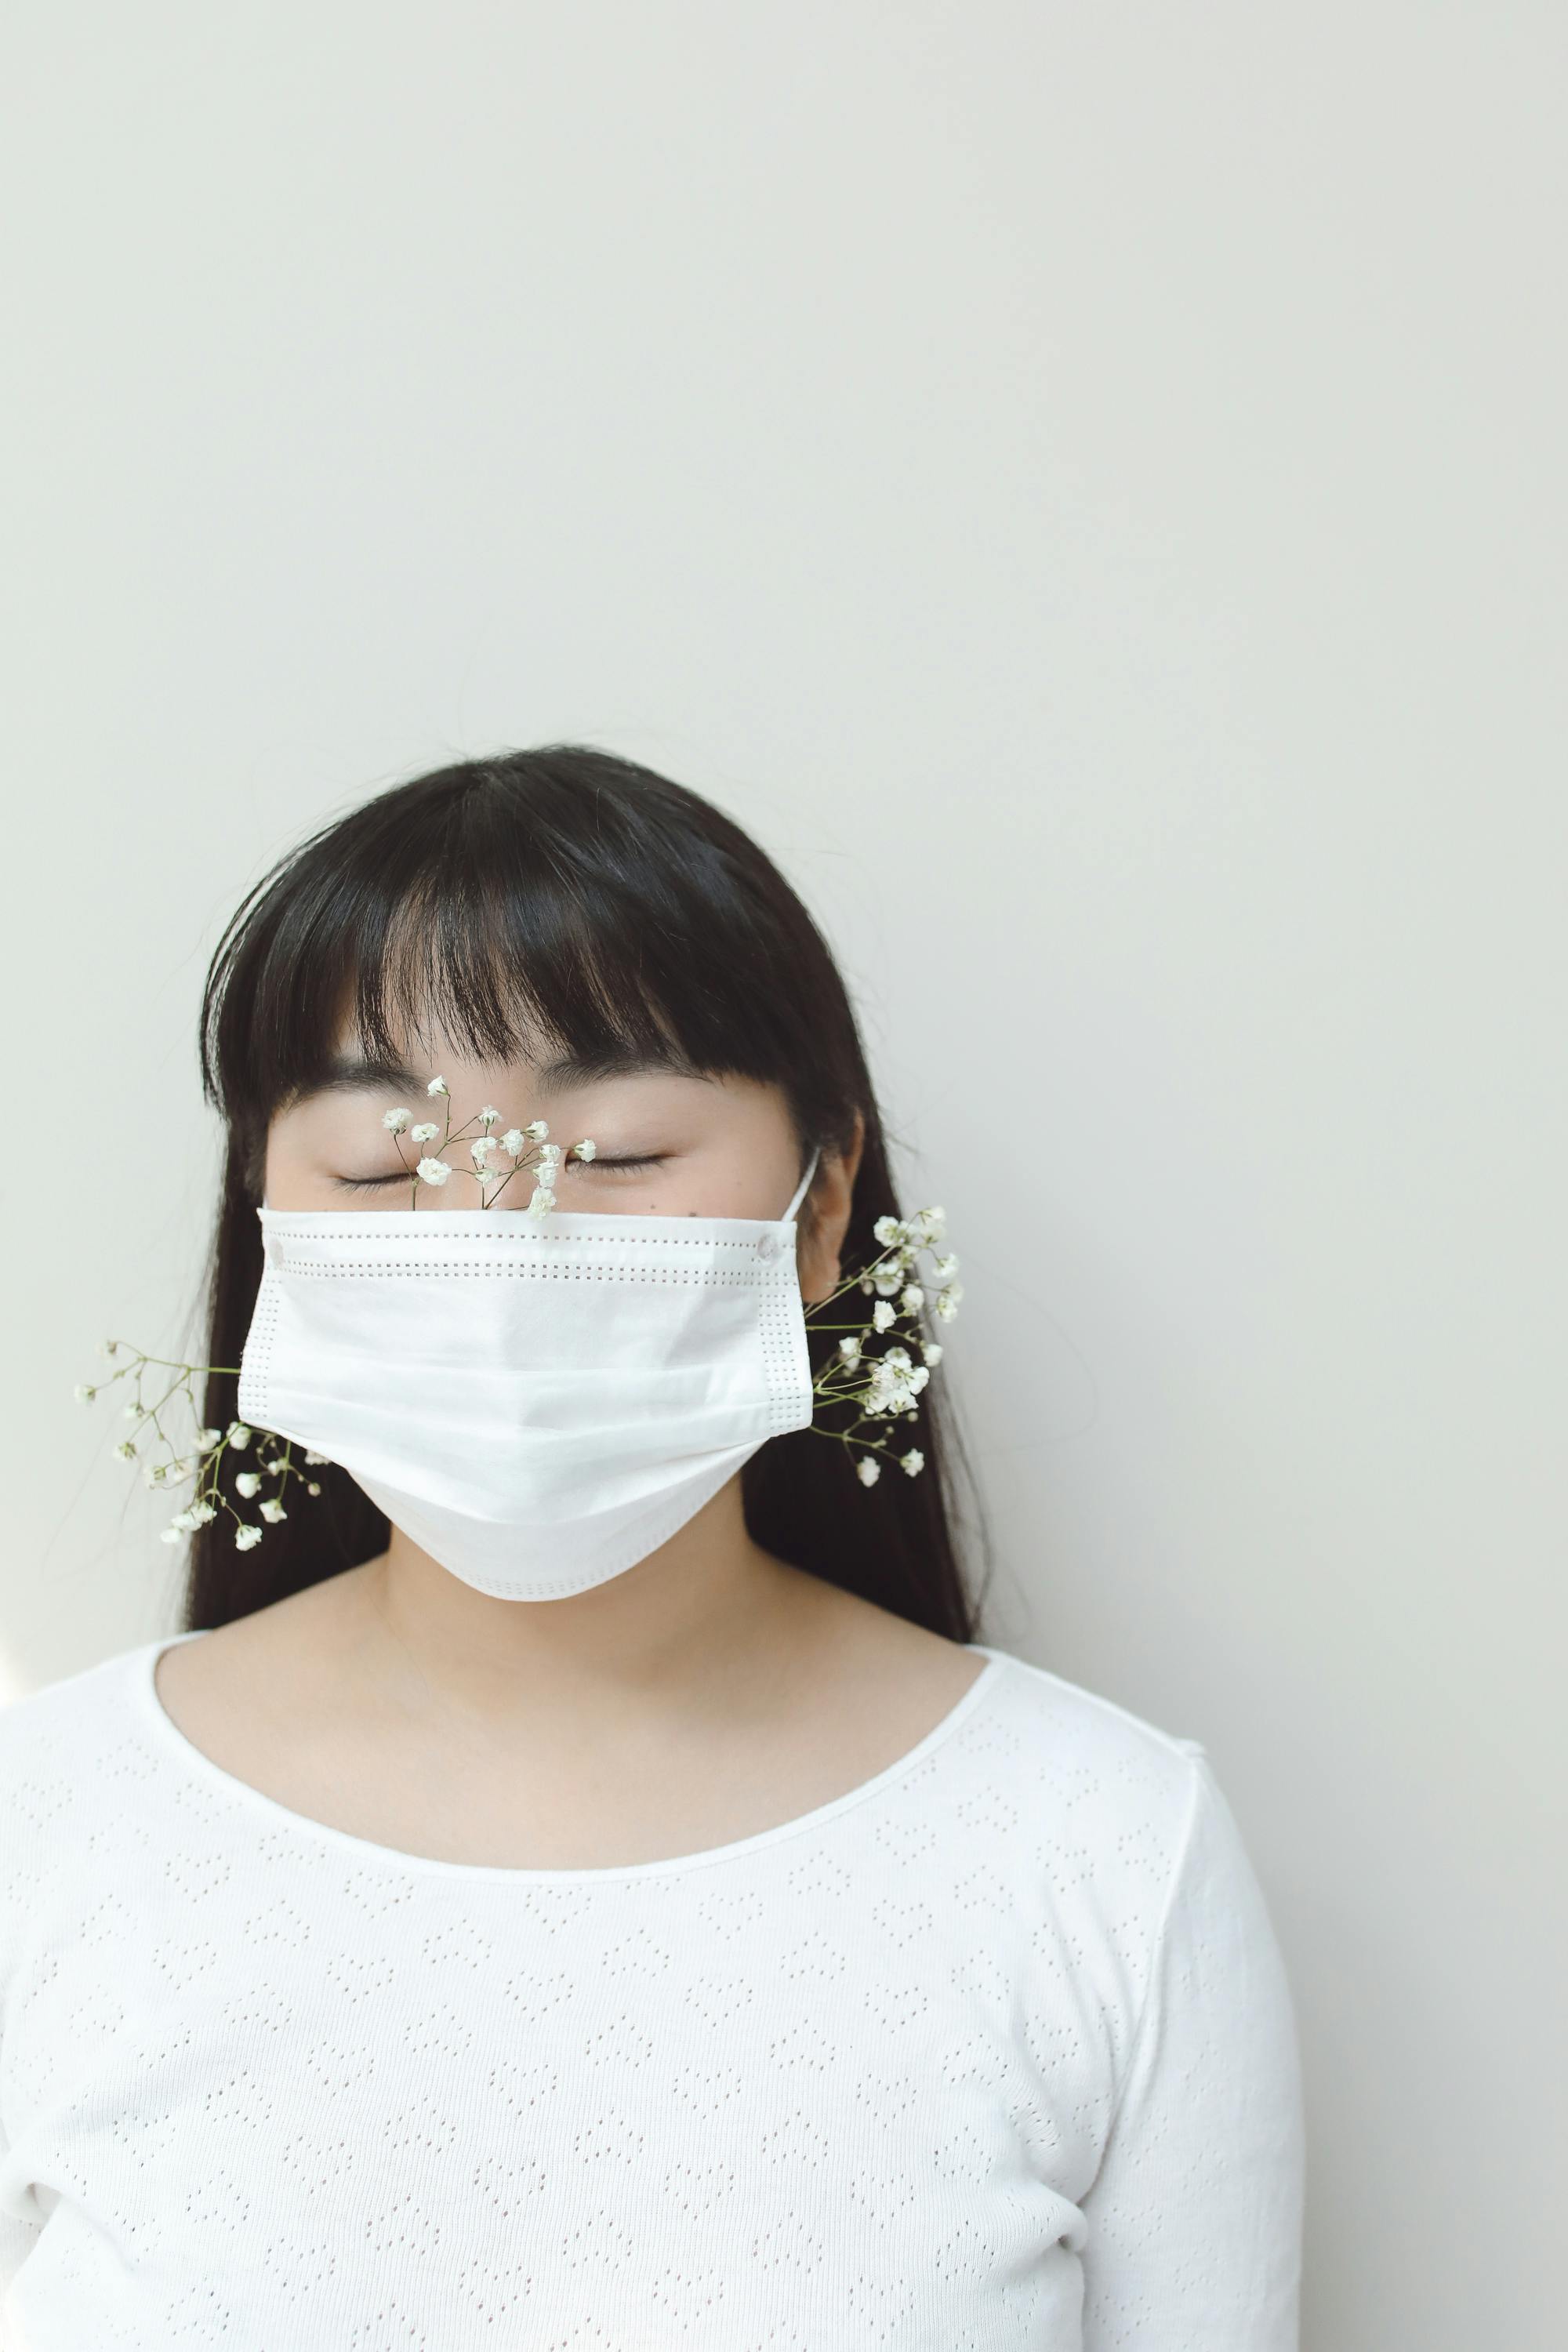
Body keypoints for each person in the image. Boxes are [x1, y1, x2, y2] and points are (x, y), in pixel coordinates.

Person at [0, 746, 1305, 2348]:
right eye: (384, 1170)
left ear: (821, 1210)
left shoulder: (1104, 1850)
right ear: (271, 1215)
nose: (497, 1249)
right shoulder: (45, 1820)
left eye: (613, 1157)